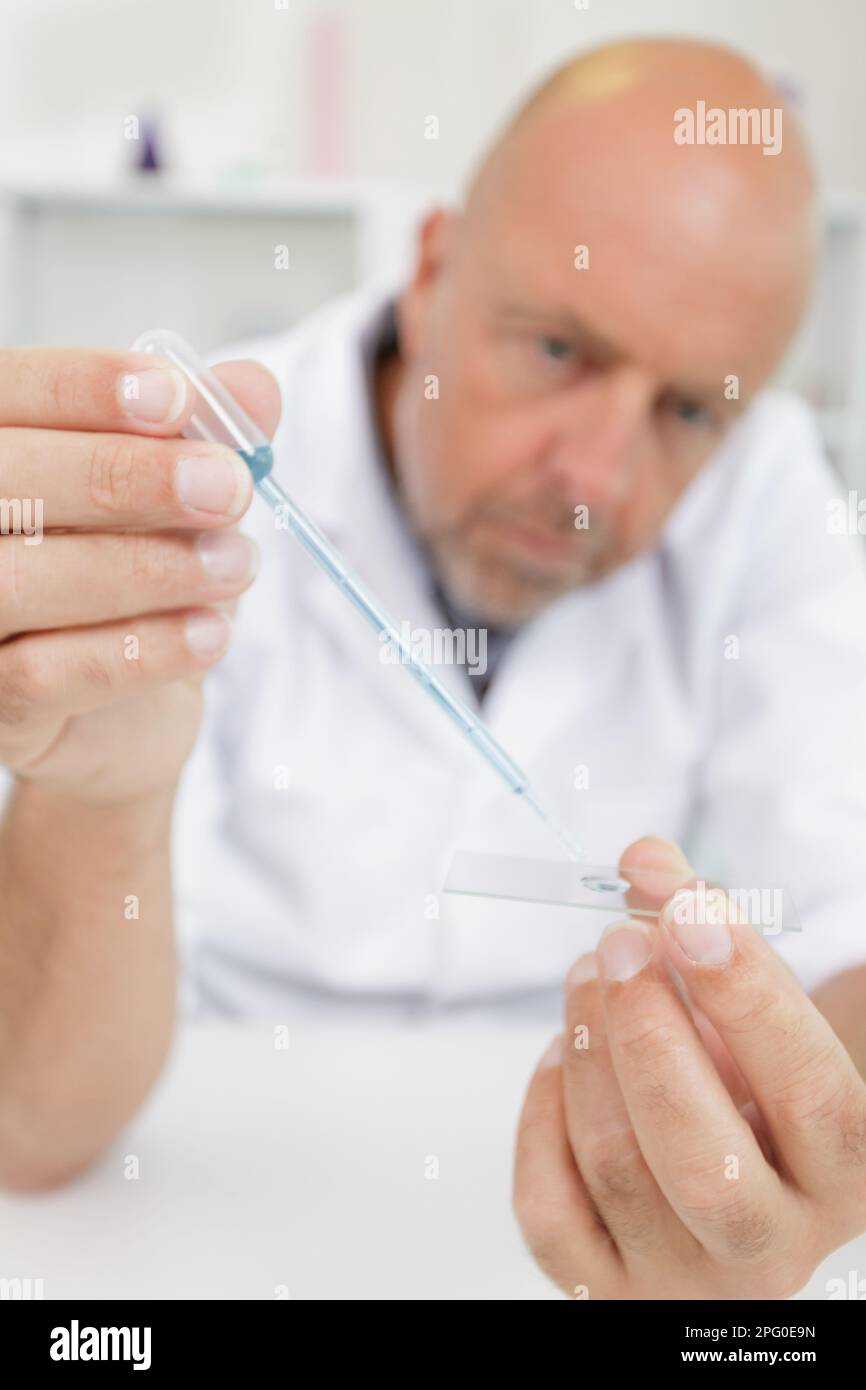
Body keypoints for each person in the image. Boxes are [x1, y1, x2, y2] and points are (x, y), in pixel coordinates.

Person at [0, 36, 864, 1298]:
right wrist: (103, 794)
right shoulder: (209, 475)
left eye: (686, 411)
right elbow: (34, 1131)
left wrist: (799, 1141)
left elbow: (843, 923)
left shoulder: (769, 490)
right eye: (555, 351)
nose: (592, 485)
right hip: (191, 1190)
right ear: (428, 266)